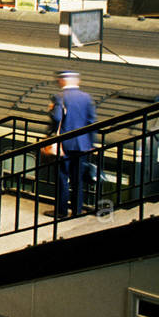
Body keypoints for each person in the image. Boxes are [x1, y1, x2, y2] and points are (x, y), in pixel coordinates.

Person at [48, 68, 97, 217]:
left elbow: (57, 118)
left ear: (63, 80)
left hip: (64, 144)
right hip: (82, 144)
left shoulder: (60, 97)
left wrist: (50, 111)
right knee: (78, 179)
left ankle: (61, 211)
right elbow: (92, 121)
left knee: (62, 177)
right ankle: (76, 211)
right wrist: (90, 143)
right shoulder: (86, 97)